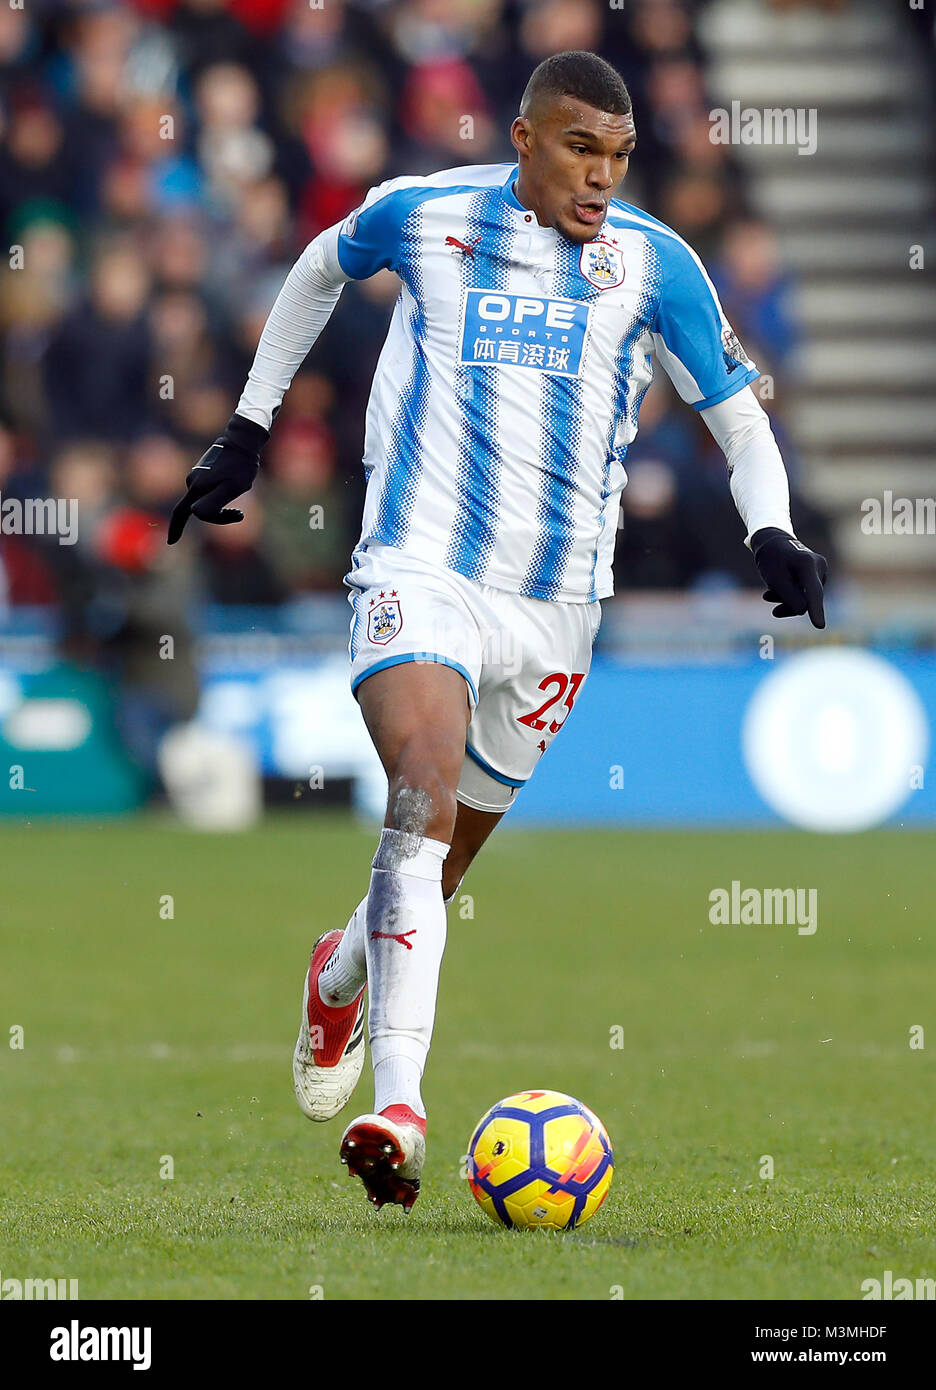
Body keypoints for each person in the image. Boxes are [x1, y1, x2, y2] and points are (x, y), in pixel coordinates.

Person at [167, 50, 827, 1212]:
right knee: (416, 791)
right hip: (420, 565)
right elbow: (318, 269)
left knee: (436, 870)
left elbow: (740, 416)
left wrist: (770, 528)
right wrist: (250, 426)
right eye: (582, 150)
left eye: (620, 158)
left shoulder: (655, 265)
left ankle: (342, 972)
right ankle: (402, 1106)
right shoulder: (427, 216)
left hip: (557, 610)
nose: (602, 179)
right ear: (524, 138)